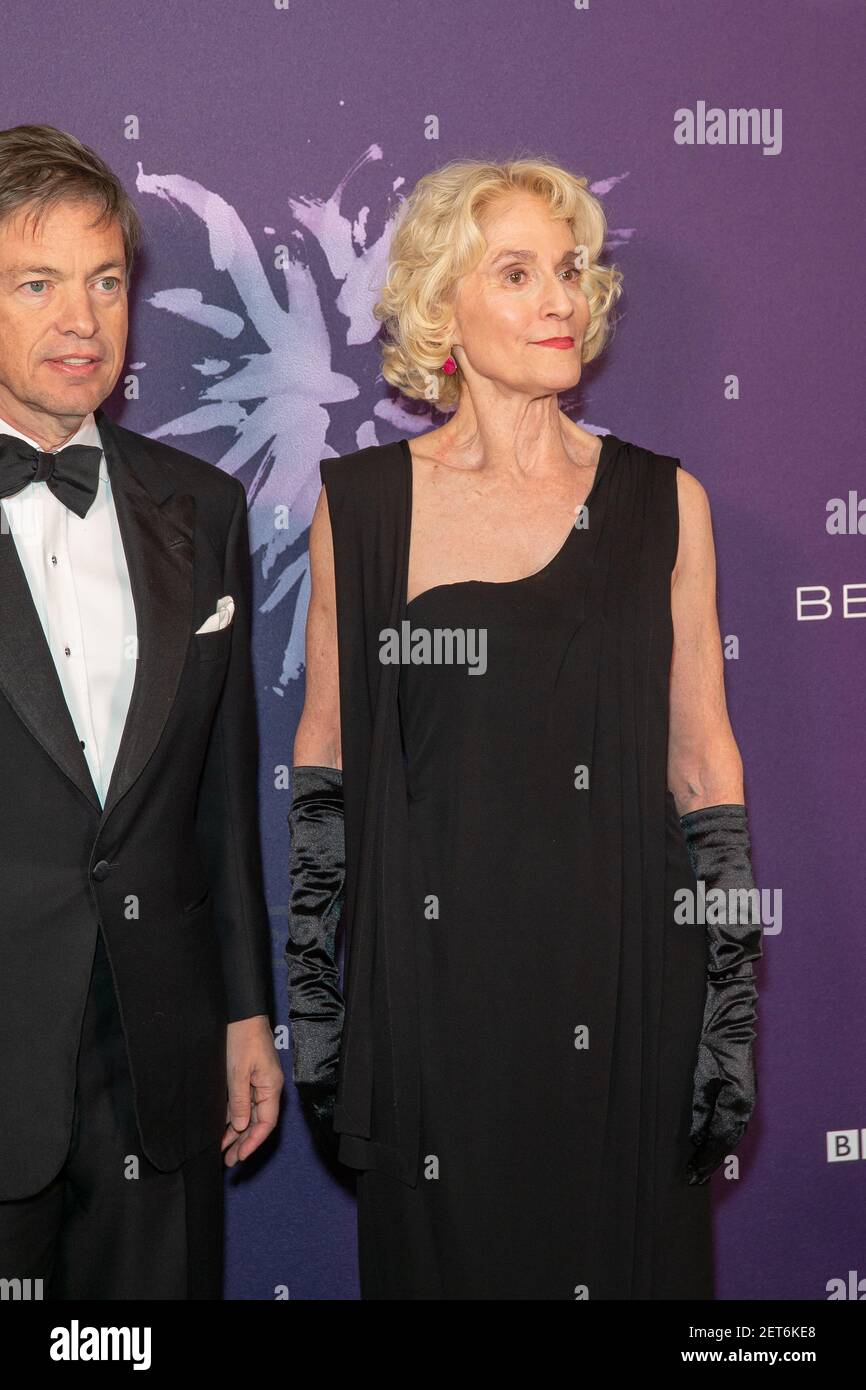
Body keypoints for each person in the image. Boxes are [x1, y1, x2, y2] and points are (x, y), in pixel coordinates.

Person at [287, 157, 762, 1299]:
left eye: (570, 269)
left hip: (627, 994)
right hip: (435, 1011)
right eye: (516, 272)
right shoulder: (361, 508)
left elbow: (703, 763)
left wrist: (730, 1003)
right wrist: (312, 984)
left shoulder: (663, 503)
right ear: (440, 302)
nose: (561, 299)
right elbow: (327, 756)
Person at [0, 124, 282, 1299]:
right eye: (37, 282)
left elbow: (221, 795)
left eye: (106, 280)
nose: (84, 318)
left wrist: (245, 1013)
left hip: (159, 1054)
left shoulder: (201, 506)